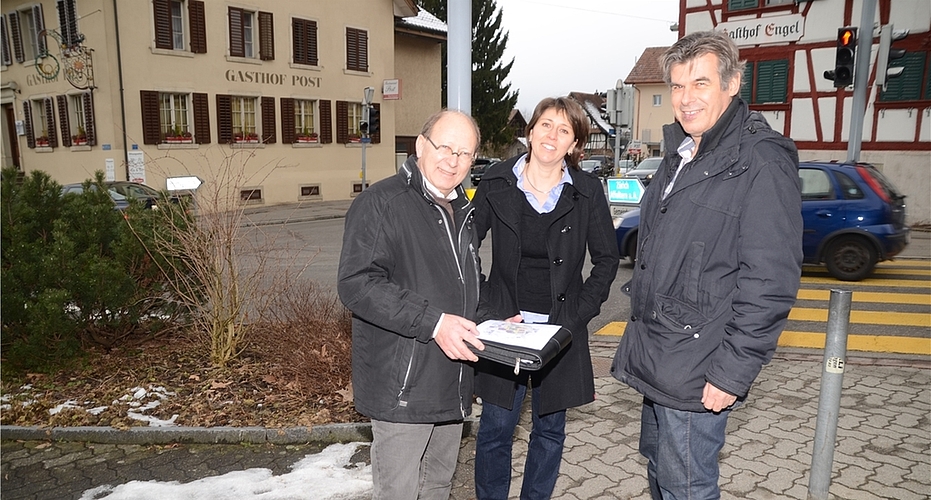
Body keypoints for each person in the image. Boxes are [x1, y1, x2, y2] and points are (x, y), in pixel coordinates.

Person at [610, 31, 803, 499]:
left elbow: (770, 282)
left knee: (688, 488)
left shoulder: (760, 160)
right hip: (661, 357)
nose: (686, 98)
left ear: (732, 83)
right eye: (677, 86)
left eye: (700, 83)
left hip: (700, 367)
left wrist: (730, 373)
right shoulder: (681, 153)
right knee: (660, 472)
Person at [471, 96, 619, 499]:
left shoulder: (587, 191)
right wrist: (487, 310)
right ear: (531, 131)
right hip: (505, 328)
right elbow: (466, 246)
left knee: (550, 431)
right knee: (496, 429)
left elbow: (607, 261)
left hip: (560, 330)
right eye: (546, 125)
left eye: (564, 130)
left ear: (574, 145)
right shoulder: (496, 181)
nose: (552, 135)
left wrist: (574, 318)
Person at [337, 109, 485, 500]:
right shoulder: (381, 203)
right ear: (421, 145)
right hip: (403, 389)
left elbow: (462, 286)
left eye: (465, 153)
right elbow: (357, 284)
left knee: (436, 487)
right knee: (400, 492)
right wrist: (435, 323)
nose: (453, 160)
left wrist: (497, 318)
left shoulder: (462, 209)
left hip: (451, 384)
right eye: (445, 147)